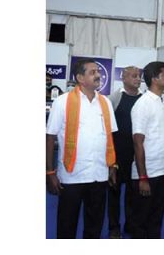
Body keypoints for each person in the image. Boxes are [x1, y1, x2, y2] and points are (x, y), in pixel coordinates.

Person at [46, 58, 119, 239]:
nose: (98, 75)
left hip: (99, 175)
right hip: (72, 176)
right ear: (80, 77)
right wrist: (49, 172)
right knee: (66, 226)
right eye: (92, 72)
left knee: (94, 227)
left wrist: (112, 166)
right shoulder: (62, 102)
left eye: (98, 72)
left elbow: (109, 137)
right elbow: (50, 137)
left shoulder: (106, 103)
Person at [131, 61, 164, 238]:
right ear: (155, 79)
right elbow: (137, 142)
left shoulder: (163, 102)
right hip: (147, 174)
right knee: (141, 221)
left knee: (156, 219)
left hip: (163, 170)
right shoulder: (143, 104)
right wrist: (142, 177)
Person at [106, 66, 143, 239]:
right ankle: (114, 227)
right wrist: (110, 159)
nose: (138, 79)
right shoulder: (114, 98)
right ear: (124, 78)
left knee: (133, 193)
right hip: (117, 155)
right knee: (114, 193)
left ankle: (130, 224)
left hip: (136, 155)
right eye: (134, 76)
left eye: (140, 76)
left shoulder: (144, 99)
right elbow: (106, 128)